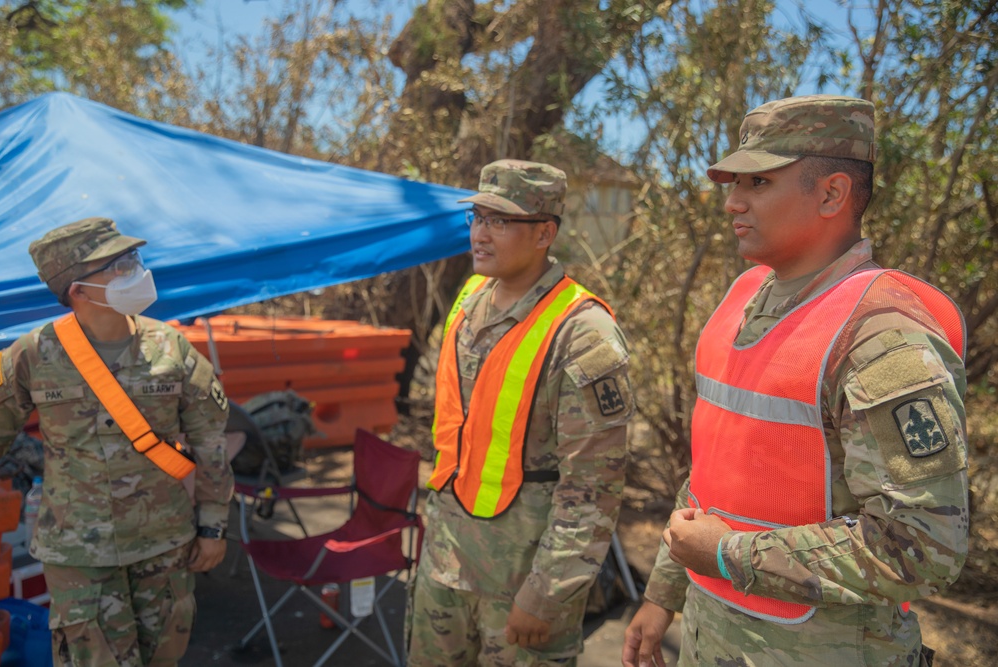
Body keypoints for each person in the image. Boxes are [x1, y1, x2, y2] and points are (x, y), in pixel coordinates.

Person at [622, 94, 968, 667]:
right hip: (711, 637)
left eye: (758, 184)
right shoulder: (743, 300)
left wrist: (730, 554)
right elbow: (715, 471)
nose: (732, 202)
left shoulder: (882, 335)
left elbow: (924, 545)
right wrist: (666, 592)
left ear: (831, 193)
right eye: (733, 182)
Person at [407, 159, 635, 666]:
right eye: (478, 218)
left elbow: (593, 487)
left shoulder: (582, 332)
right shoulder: (469, 298)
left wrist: (548, 592)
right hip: (445, 562)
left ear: (544, 234)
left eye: (501, 221)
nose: (481, 234)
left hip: (520, 580)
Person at [0, 217, 234, 666]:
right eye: (119, 265)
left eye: (134, 258)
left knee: (164, 657)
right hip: (79, 553)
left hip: (164, 542)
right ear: (79, 291)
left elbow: (211, 442)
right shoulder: (32, 354)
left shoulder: (171, 348)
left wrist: (213, 526)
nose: (136, 271)